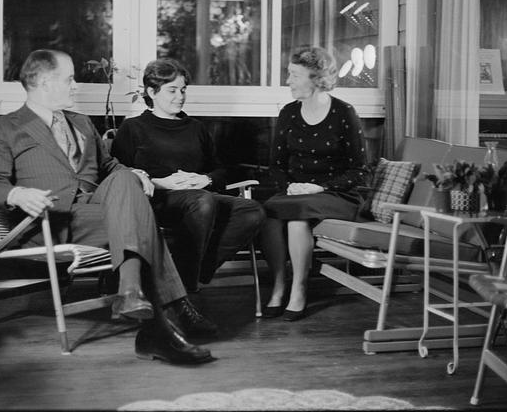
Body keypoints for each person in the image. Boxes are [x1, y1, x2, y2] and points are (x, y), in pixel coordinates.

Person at [0, 49, 218, 365]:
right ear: (45, 82)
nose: (75, 85)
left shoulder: (81, 122)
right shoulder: (5, 126)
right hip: (51, 220)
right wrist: (18, 194)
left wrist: (135, 174)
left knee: (125, 179)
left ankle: (133, 294)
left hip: (100, 213)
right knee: (143, 221)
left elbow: (110, 166)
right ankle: (159, 323)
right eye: (69, 79)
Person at [111, 59, 265, 296]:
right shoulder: (133, 128)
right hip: (156, 203)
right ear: (152, 92)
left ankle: (186, 276)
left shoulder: (195, 128)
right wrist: (159, 183)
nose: (180, 96)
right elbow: (119, 176)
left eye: (183, 90)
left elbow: (223, 170)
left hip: (202, 201)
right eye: (172, 90)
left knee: (252, 211)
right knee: (203, 201)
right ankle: (184, 287)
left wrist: (207, 180)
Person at [260, 46, 368, 321]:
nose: (288, 81)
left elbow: (359, 170)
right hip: (297, 195)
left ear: (316, 78)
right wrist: (290, 186)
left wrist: (320, 188)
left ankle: (298, 288)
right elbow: (277, 165)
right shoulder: (288, 113)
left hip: (337, 195)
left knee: (296, 217)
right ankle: (279, 285)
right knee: (268, 213)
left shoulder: (345, 113)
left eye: (294, 75)